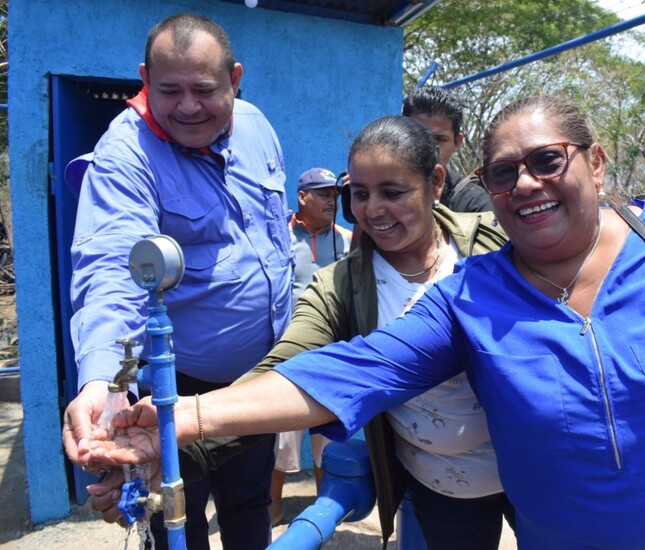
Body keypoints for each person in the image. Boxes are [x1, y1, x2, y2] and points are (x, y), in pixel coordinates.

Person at [88, 96, 645, 549]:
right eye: (504, 173)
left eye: (547, 161)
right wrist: (176, 419)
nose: (524, 184)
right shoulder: (472, 292)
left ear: (595, 164)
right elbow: (350, 369)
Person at [87, 115, 513, 549]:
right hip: (443, 484)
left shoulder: (494, 247)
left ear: (435, 181)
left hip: (534, 464)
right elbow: (286, 367)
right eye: (359, 195)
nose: (373, 210)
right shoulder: (342, 286)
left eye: (393, 192)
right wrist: (172, 441)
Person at [60, 13, 293, 550]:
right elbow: (112, 268)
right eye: (169, 90)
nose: (187, 106)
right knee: (175, 519)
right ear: (145, 78)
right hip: (173, 389)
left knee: (249, 505)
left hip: (257, 381)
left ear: (235, 79)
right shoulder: (125, 156)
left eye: (204, 89)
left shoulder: (257, 125)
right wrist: (102, 380)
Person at [269, 166, 351, 525]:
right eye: (322, 194)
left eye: (334, 195)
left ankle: (325, 508)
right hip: (288, 353)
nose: (330, 201)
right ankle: (271, 508)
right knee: (281, 436)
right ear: (302, 197)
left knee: (328, 436)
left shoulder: (346, 240)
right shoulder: (280, 238)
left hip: (331, 353)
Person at [402, 85, 492, 213]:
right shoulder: (377, 192)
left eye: (439, 139)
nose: (427, 147)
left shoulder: (474, 204)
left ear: (457, 142)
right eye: (417, 136)